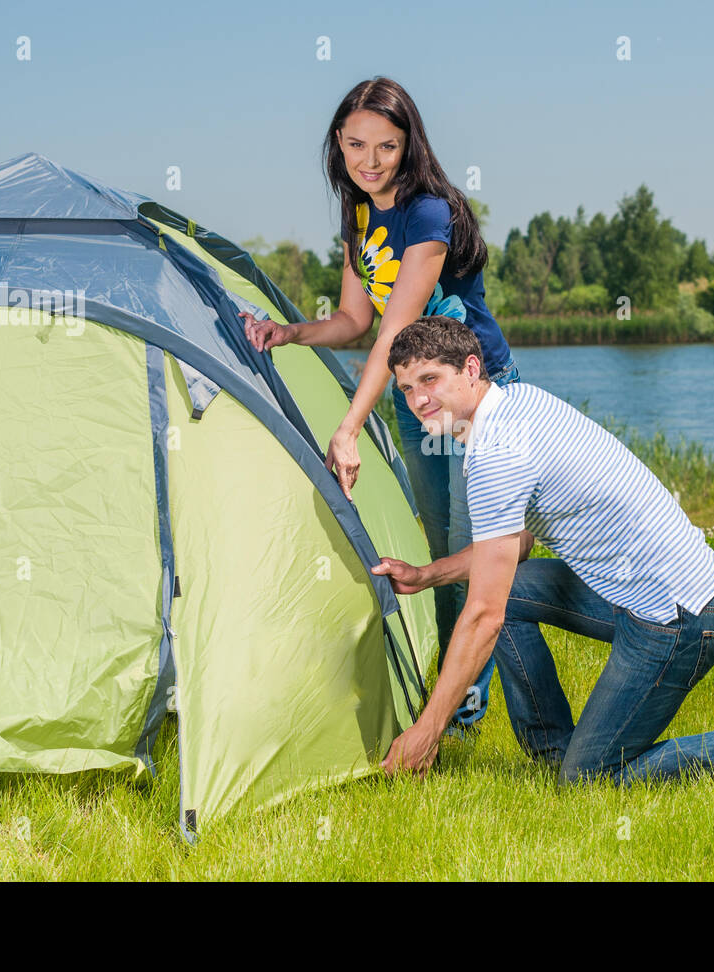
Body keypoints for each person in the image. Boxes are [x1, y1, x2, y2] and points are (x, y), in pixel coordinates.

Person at [372, 316, 714, 783]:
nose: (418, 401)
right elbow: (515, 547)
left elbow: (483, 615)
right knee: (510, 595)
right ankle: (555, 752)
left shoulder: (497, 453)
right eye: (406, 388)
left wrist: (427, 730)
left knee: (588, 780)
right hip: (654, 592)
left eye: (430, 379)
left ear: (471, 369)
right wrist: (426, 575)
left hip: (679, 618)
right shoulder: (517, 402)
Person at [240, 77, 516, 734]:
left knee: (468, 545)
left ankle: (457, 715)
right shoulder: (358, 215)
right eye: (358, 144)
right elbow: (354, 319)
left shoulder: (428, 214)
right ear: (339, 142)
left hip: (475, 399)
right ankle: (448, 699)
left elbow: (397, 327)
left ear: (408, 145)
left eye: (386, 147)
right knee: (440, 538)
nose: (371, 160)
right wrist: (290, 333)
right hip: (419, 402)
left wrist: (349, 426)